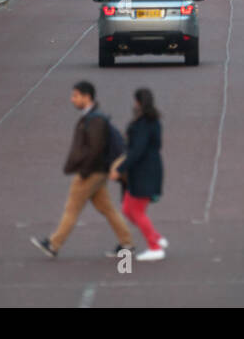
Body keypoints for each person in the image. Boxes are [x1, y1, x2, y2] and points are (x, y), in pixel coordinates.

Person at [31, 81, 136, 259]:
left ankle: (53, 244)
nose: (72, 99)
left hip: (92, 172)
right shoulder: (95, 117)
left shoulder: (94, 120)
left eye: (75, 96)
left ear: (87, 97)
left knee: (72, 208)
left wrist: (84, 171)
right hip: (100, 171)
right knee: (107, 208)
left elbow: (95, 149)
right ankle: (127, 243)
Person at [111, 88, 166, 262]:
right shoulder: (153, 121)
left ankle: (154, 247)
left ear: (139, 103)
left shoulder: (142, 124)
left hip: (144, 172)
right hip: (147, 170)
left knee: (136, 210)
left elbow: (137, 151)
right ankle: (156, 237)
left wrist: (119, 169)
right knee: (127, 208)